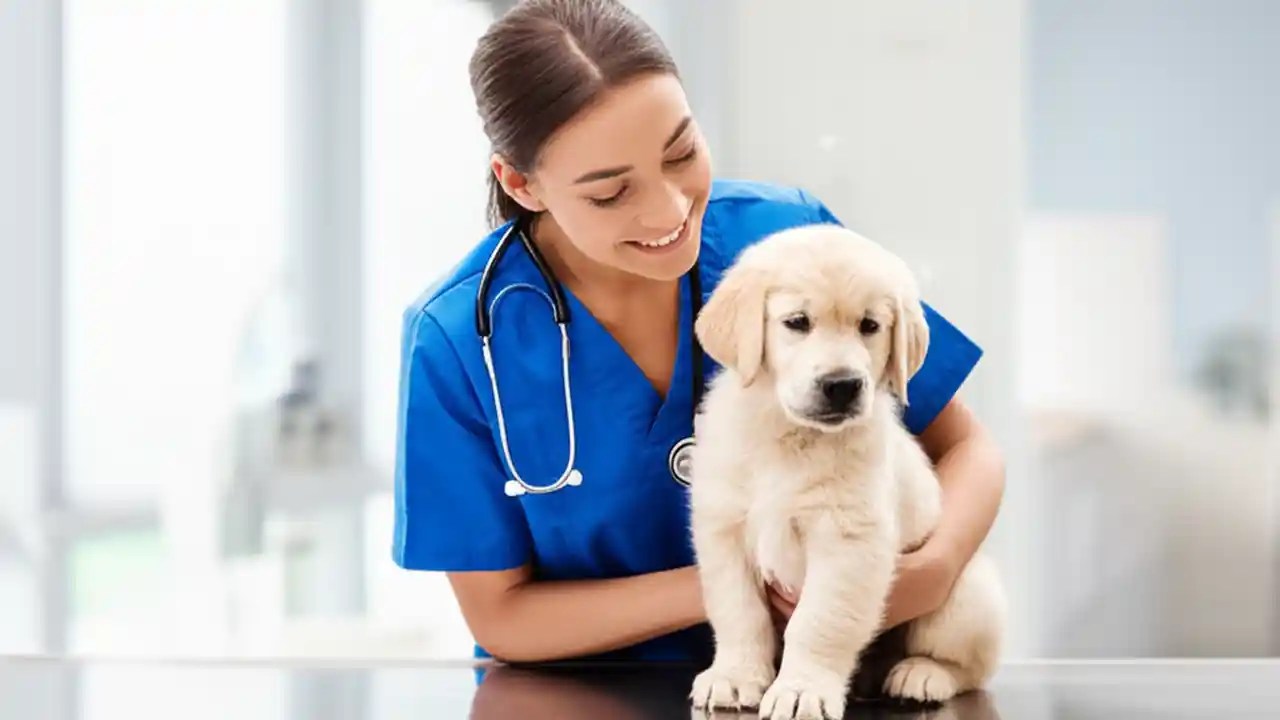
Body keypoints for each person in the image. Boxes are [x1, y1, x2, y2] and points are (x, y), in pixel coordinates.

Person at [392, 0, 1005, 665]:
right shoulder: (457, 339)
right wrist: (730, 585)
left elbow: (966, 446)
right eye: (609, 193)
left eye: (681, 152)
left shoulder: (782, 239)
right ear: (521, 183)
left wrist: (935, 569)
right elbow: (504, 618)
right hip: (585, 700)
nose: (670, 209)